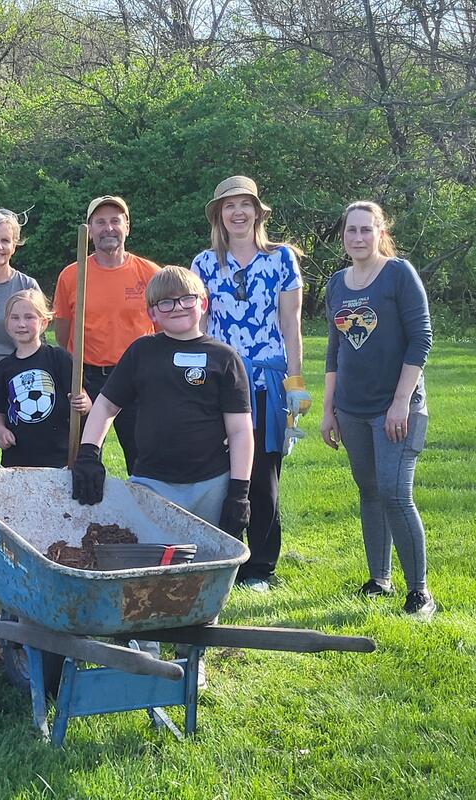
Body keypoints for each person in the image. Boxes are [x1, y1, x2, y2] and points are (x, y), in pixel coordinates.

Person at [72, 268, 252, 682]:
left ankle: (192, 653)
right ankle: (146, 652)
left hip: (211, 482)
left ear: (202, 303)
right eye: (165, 303)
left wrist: (239, 492)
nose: (177, 308)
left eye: (186, 299)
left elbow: (240, 430)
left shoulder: (225, 358)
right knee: (149, 571)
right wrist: (88, 453)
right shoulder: (141, 353)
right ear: (152, 311)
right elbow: (104, 406)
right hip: (151, 483)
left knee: (202, 572)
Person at [191, 175, 309, 593]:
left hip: (266, 380)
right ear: (219, 215)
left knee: (261, 474)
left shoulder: (281, 260)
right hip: (219, 382)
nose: (238, 213)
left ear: (258, 212)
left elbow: (291, 324)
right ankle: (223, 555)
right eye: (229, 206)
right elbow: (198, 325)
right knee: (220, 472)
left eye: (245, 205)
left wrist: (295, 379)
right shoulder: (203, 264)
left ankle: (260, 565)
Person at [321, 202, 435, 620]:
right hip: (351, 410)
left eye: (366, 229)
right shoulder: (337, 283)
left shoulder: (399, 274)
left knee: (394, 493)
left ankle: (419, 593)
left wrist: (401, 402)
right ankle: (378, 579)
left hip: (397, 409)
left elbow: (421, 339)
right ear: (343, 236)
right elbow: (335, 351)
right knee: (369, 492)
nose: (358, 237)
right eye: (351, 230)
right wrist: (328, 409)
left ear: (380, 232)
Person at [53, 196, 161, 475]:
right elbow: (63, 332)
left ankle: (142, 515)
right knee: (82, 458)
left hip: (137, 376)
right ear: (89, 230)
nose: (108, 228)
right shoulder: (72, 275)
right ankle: (84, 513)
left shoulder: (150, 274)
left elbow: (163, 331)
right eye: (100, 222)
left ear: (128, 227)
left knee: (143, 459)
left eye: (115, 221)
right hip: (87, 377)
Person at [0, 290, 89, 468]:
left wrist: (85, 404)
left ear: (43, 322)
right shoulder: (4, 368)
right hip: (18, 460)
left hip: (59, 459)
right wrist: (1, 430)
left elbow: (85, 399)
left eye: (29, 317)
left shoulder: (59, 358)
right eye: (15, 318)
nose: (21, 324)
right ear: (7, 324)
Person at [0, 207, 42, 468]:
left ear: (15, 244)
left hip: (20, 384)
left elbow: (38, 340)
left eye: (5, 240)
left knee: (24, 460)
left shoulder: (27, 286)